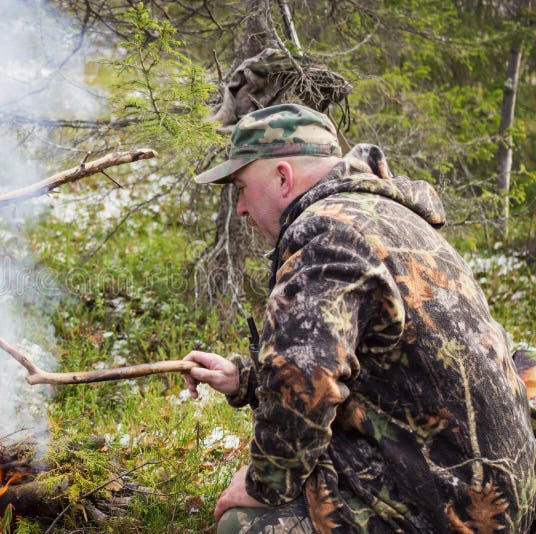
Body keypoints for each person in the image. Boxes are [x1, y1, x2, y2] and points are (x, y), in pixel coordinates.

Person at [183, 103, 536, 533]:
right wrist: (246, 379)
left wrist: (264, 484)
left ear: (281, 177)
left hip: (452, 512)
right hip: (495, 494)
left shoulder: (326, 232)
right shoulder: (389, 216)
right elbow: (377, 370)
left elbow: (305, 380)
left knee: (243, 524)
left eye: (240, 187)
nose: (239, 207)